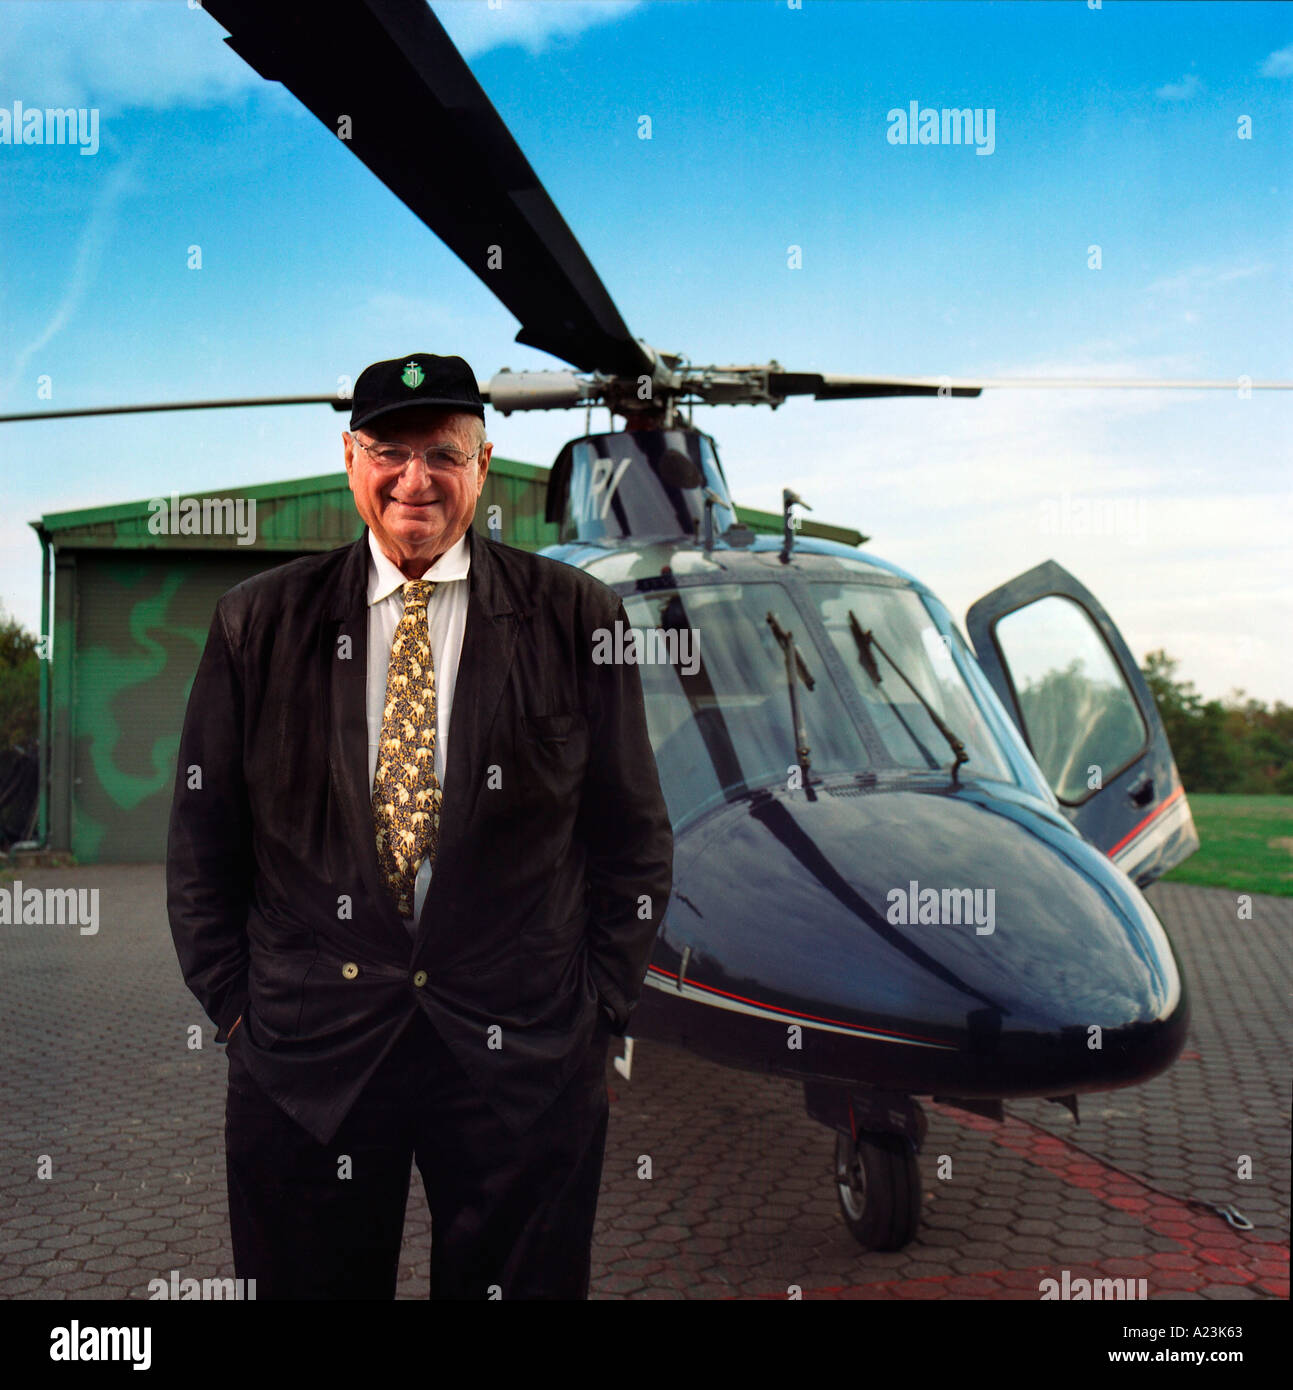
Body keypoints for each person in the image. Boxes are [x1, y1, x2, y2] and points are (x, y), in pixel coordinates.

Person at [167, 352, 673, 1300]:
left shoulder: (578, 619)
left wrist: (596, 1011)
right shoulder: (256, 624)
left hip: (519, 1057)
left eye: (443, 452)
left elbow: (632, 837)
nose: (415, 479)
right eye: (389, 451)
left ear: (482, 463)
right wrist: (238, 1011)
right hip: (307, 1058)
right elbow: (204, 842)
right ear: (349, 459)